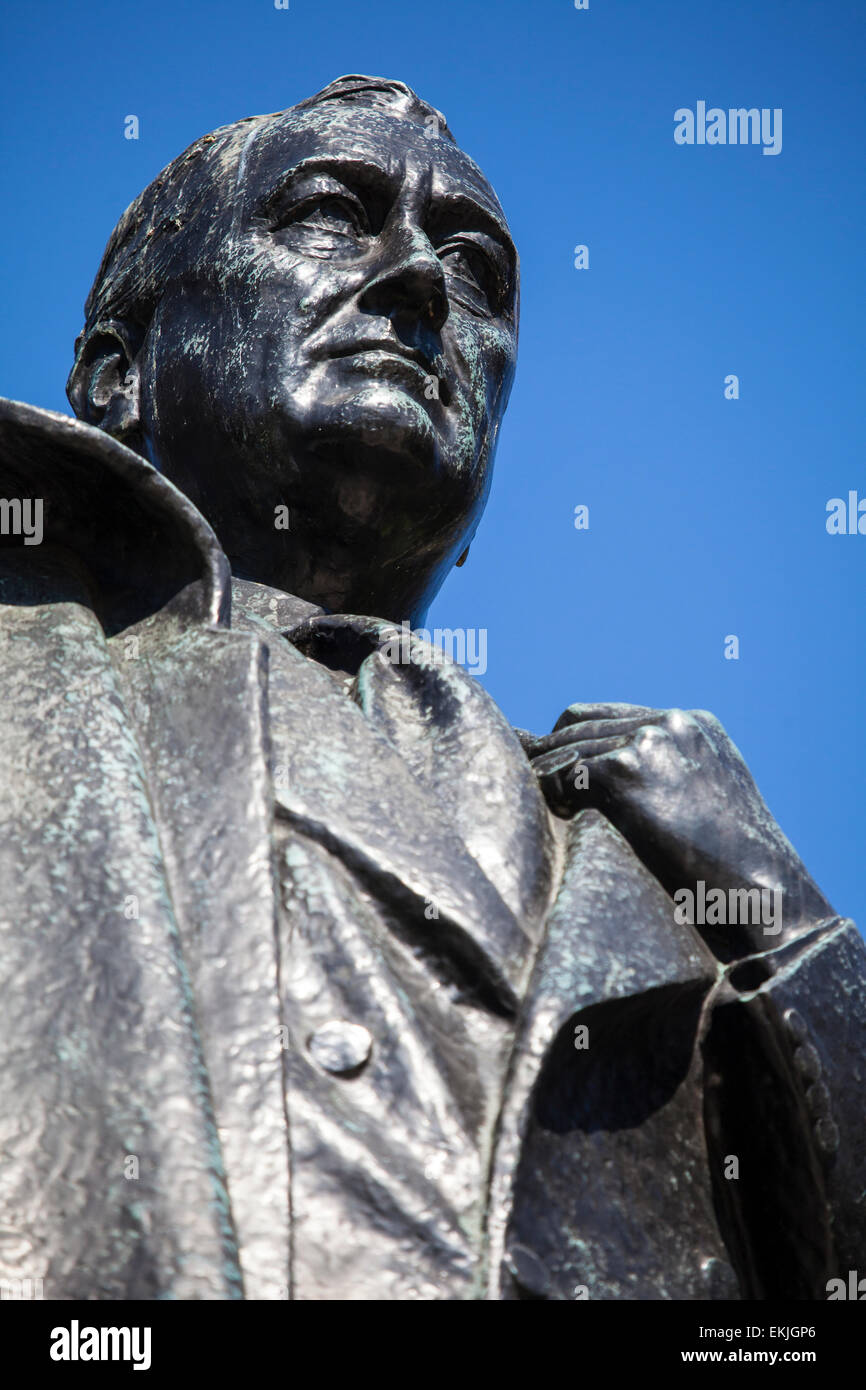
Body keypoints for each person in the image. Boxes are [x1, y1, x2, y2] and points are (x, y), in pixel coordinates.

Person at [0, 75, 862, 1301]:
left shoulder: (662, 855)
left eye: (474, 269)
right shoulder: (23, 683)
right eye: (324, 215)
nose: (416, 279)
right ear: (113, 373)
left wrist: (789, 928)